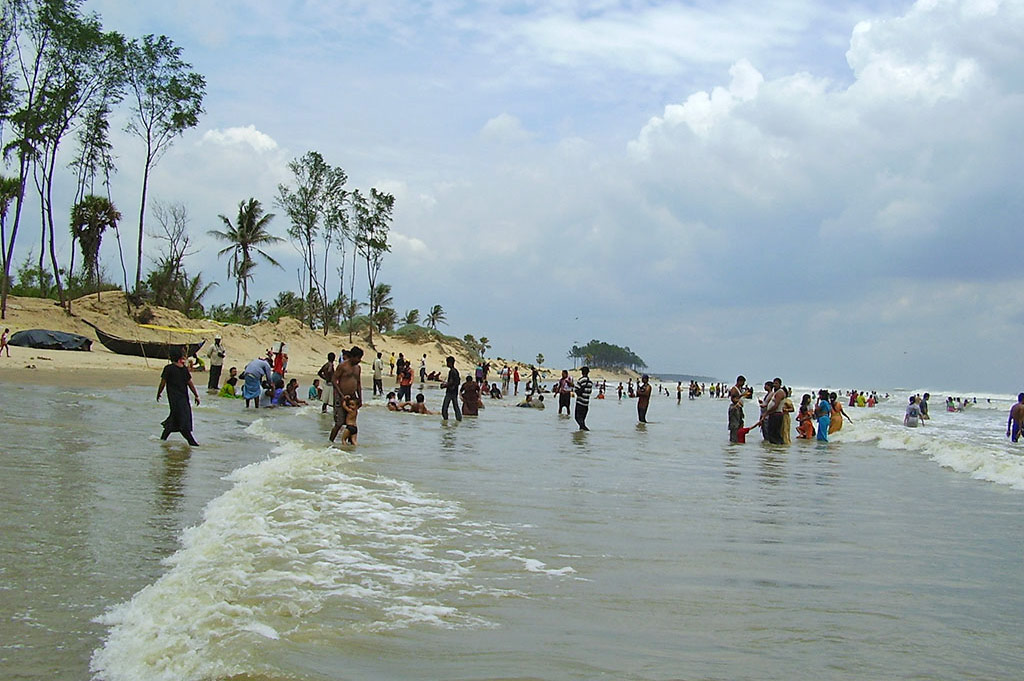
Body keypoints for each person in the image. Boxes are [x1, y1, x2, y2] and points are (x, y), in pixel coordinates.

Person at [156, 350, 200, 446]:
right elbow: (190, 383)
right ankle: (162, 442)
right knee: (176, 420)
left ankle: (193, 444)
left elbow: (162, 383)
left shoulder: (168, 369)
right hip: (184, 399)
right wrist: (196, 395)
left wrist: (159, 393)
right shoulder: (184, 369)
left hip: (174, 400)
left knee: (179, 422)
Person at [330, 346, 364, 442]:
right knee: (339, 422)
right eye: (358, 358)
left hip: (352, 398)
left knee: (351, 423)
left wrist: (360, 398)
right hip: (341, 397)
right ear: (352, 356)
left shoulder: (358, 368)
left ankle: (349, 444)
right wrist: (341, 395)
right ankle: (330, 442)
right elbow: (334, 379)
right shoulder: (343, 366)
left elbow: (358, 383)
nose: (359, 360)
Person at [762, 378, 787, 444]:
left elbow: (776, 405)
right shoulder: (776, 392)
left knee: (775, 434)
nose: (774, 385)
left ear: (780, 384)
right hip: (774, 414)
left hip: (776, 414)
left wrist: (767, 413)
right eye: (774, 383)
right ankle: (774, 449)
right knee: (772, 433)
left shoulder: (780, 392)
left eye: (776, 383)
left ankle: (778, 447)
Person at [441, 355, 462, 421]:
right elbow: (457, 382)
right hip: (454, 392)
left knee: (444, 408)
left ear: (450, 363)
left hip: (450, 392)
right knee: (456, 407)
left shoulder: (452, 371)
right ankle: (458, 420)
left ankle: (445, 421)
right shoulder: (456, 371)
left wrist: (444, 386)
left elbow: (451, 382)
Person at [575, 366, 593, 431]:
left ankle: (585, 429)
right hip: (586, 404)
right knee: (582, 419)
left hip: (580, 402)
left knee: (577, 418)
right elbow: (590, 392)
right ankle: (582, 434)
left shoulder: (581, 380)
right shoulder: (590, 382)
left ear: (582, 372)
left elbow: (576, 390)